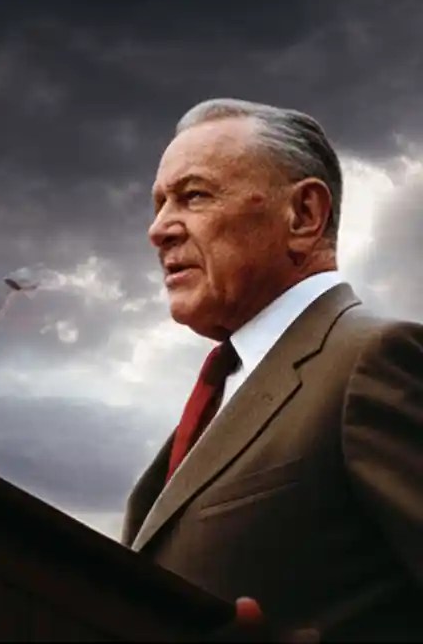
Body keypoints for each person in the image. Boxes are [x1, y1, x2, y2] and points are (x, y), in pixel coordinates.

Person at [122, 98, 423, 641]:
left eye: (194, 196)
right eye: (160, 203)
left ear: (304, 215)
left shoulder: (374, 361)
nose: (159, 229)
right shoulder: (226, 392)